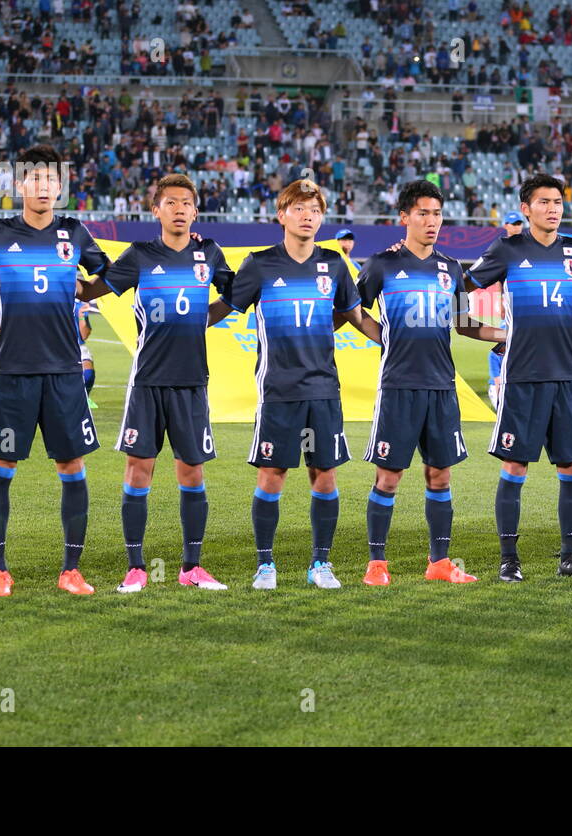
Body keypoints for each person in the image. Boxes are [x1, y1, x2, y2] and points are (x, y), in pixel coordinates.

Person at [0, 144, 112, 596]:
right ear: (19, 185)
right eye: (35, 180)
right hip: (14, 372)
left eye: (51, 181)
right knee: (1, 465)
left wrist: (84, 289)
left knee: (72, 464)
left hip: (65, 372)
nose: (43, 187)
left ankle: (71, 570)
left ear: (60, 189)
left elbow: (113, 275)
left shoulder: (74, 233)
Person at [77, 174, 237, 592]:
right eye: (171, 202)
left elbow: (237, 294)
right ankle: (135, 567)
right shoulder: (140, 255)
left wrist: (204, 318)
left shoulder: (210, 253)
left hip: (191, 382)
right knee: (138, 470)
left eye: (187, 203)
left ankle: (191, 567)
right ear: (156, 210)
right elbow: (96, 286)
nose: (180, 209)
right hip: (147, 380)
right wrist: (60, 278)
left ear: (196, 211)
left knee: (192, 473)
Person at [227, 180, 380, 589]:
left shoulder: (334, 264)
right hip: (278, 390)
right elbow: (225, 306)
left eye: (314, 209)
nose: (308, 216)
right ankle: (265, 565)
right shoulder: (258, 264)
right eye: (298, 208)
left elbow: (356, 316)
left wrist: (393, 341)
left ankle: (321, 564)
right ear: (282, 215)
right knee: (272, 475)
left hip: (324, 390)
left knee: (324, 476)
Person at [354, 180, 504, 585]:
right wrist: (383, 336)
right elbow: (353, 309)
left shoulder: (452, 269)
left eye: (437, 214)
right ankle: (377, 565)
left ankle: (439, 562)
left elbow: (462, 322)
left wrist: (504, 335)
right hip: (398, 386)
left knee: (440, 476)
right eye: (423, 213)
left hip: (441, 386)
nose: (431, 221)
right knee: (389, 477)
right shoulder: (381, 265)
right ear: (404, 217)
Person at [466, 174, 572, 581]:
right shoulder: (507, 249)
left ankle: (569, 558)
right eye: (543, 202)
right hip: (521, 377)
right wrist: (484, 331)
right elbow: (460, 287)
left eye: (558, 201)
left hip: (566, 378)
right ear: (526, 209)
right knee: (515, 468)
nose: (553, 208)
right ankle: (509, 560)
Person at [74, 299, 97, 409]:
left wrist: (82, 316)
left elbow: (84, 335)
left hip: (77, 346)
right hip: (58, 346)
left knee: (88, 373)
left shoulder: (79, 306)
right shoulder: (54, 303)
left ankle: (85, 398)